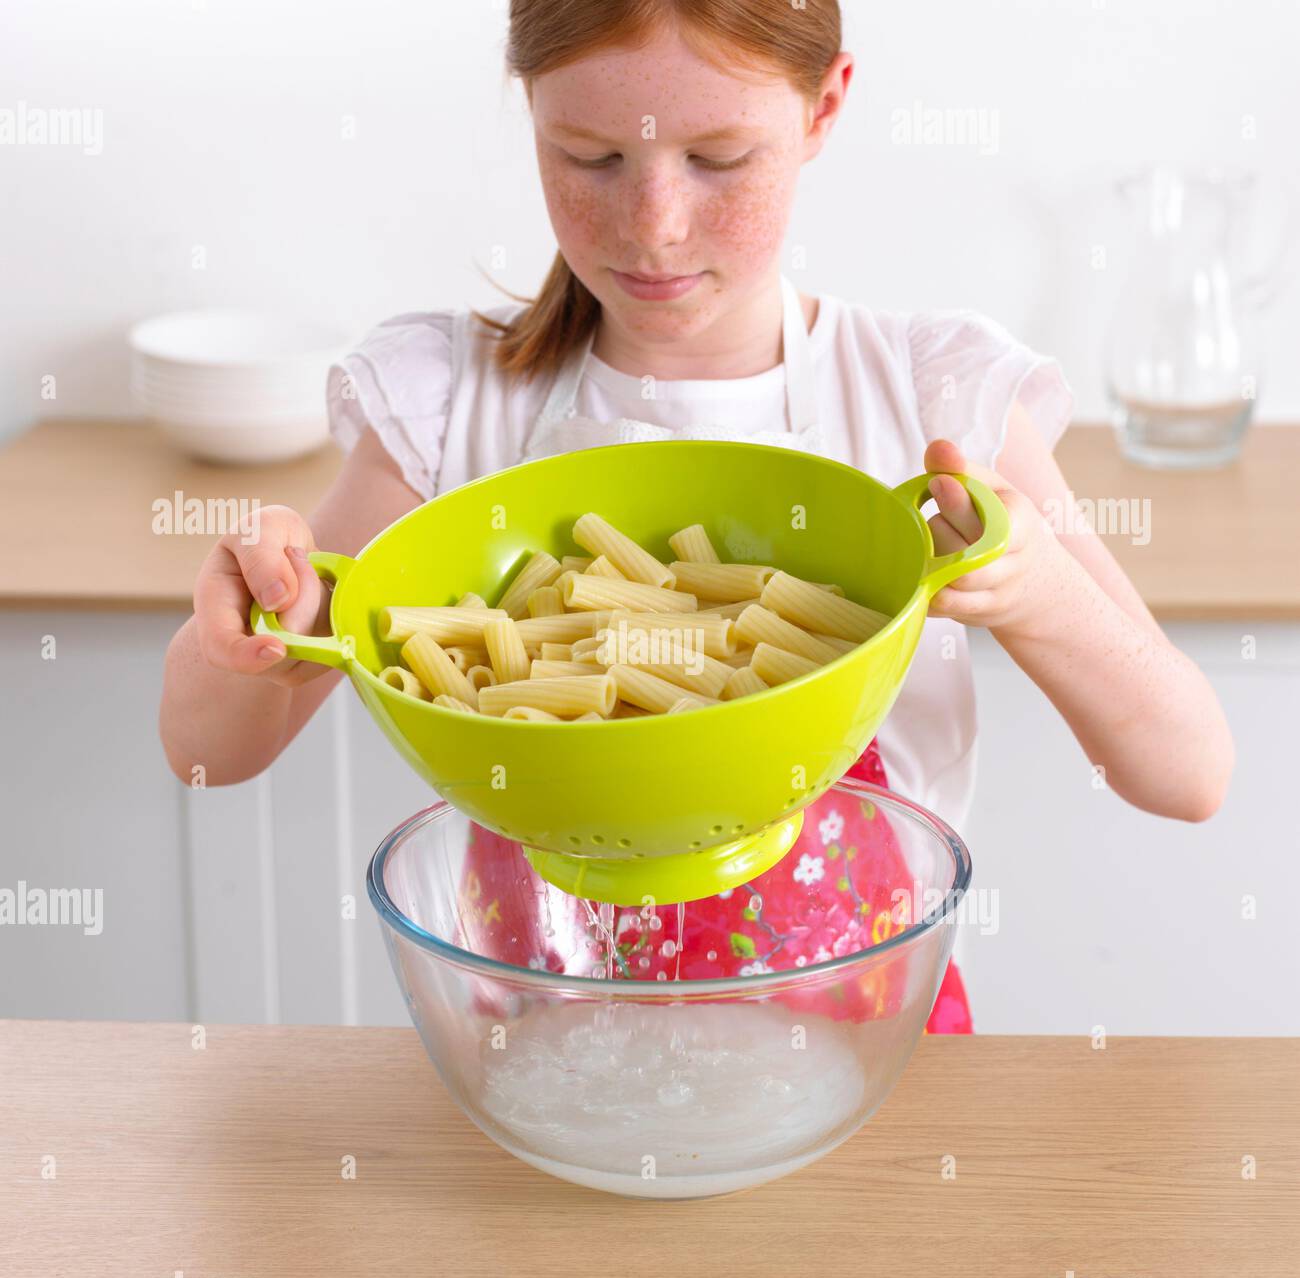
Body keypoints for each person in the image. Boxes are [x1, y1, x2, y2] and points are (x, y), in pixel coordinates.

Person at [160, 0, 1233, 1033]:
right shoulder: (452, 403)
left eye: (718, 159)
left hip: (861, 1071)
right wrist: (249, 628)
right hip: (554, 1068)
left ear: (822, 110)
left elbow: (1188, 772)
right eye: (589, 157)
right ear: (528, 110)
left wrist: (1039, 591)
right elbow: (206, 749)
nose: (655, 226)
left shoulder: (925, 398)